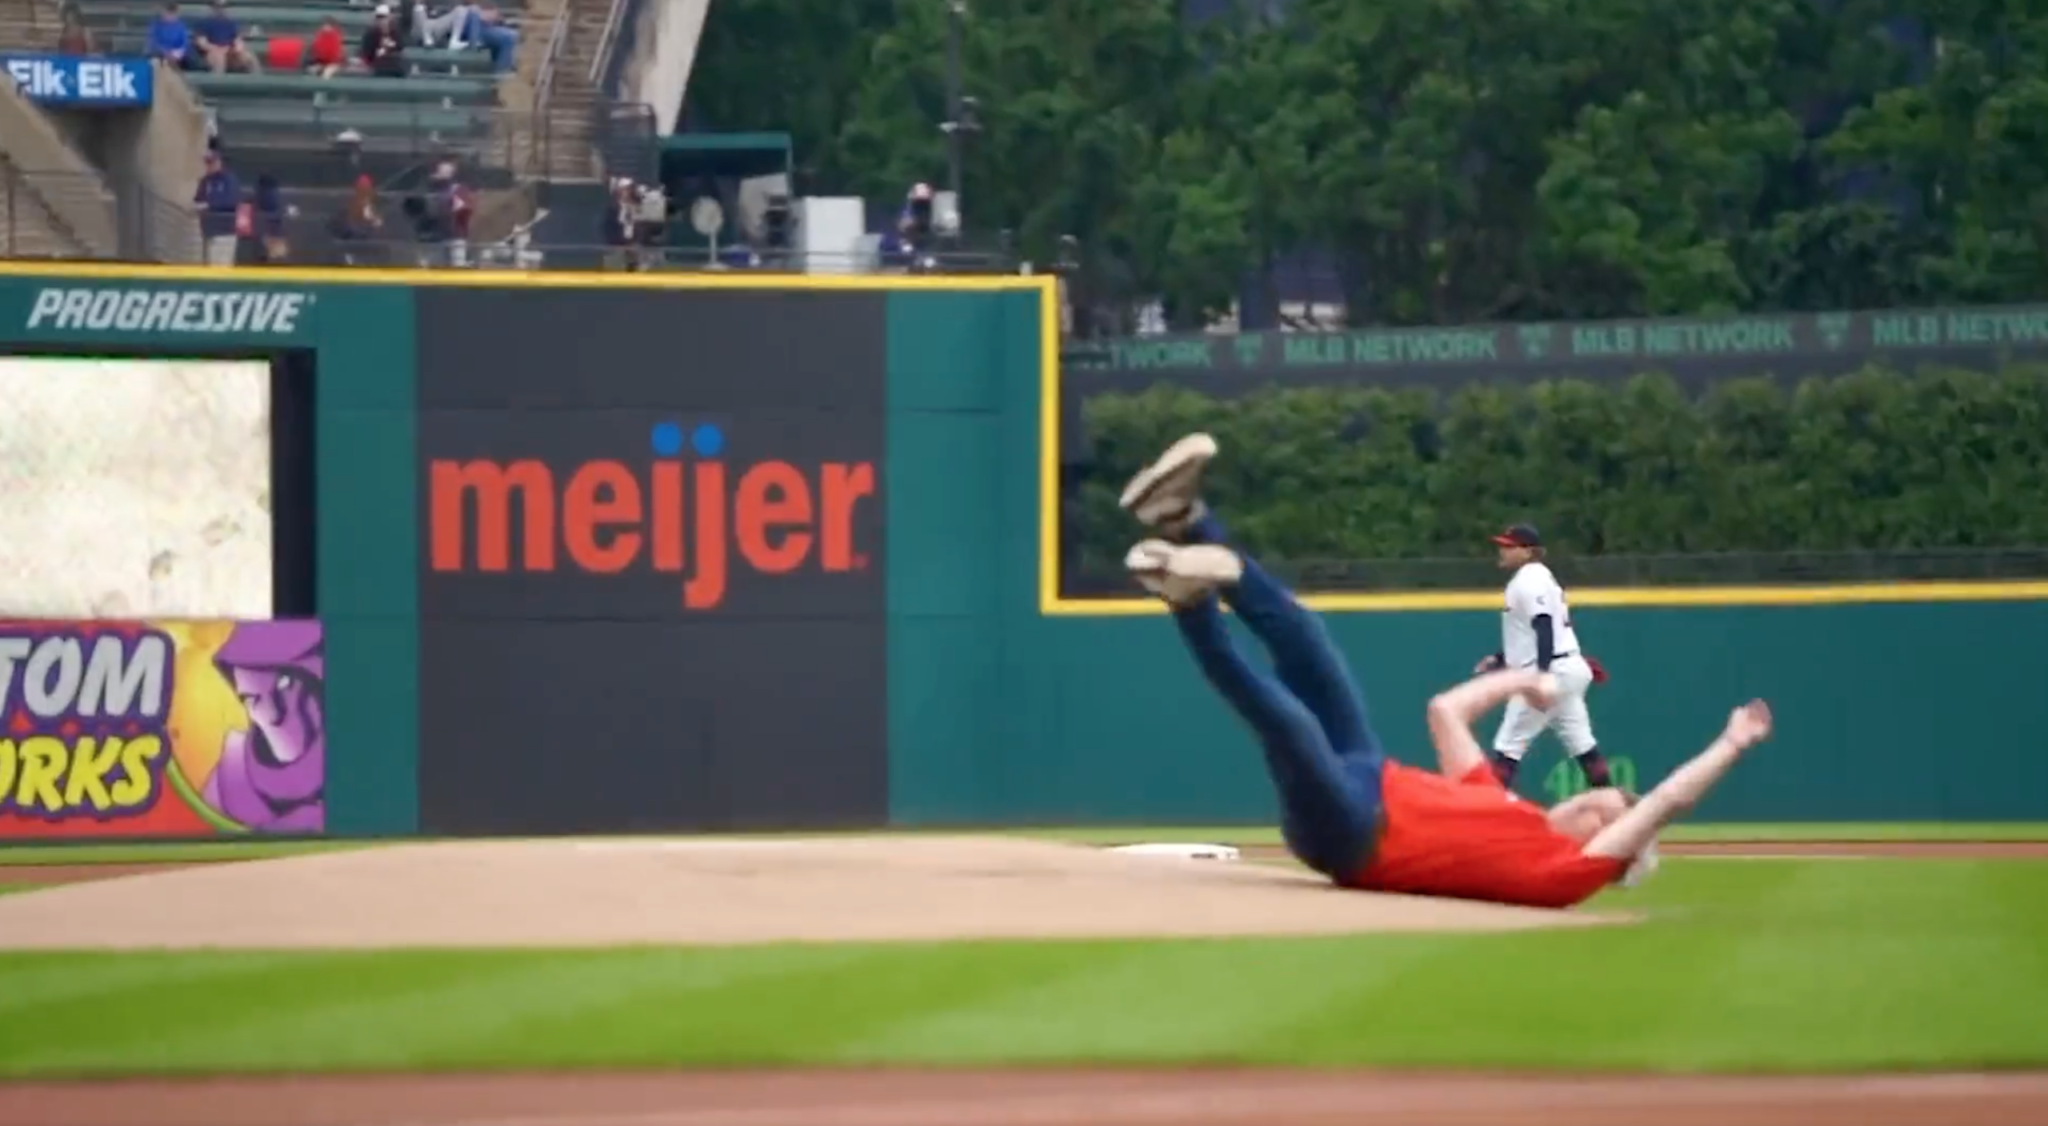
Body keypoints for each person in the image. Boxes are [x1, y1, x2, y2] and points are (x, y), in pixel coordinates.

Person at [1116, 433, 1775, 909]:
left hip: (1349, 833)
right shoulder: (1503, 804)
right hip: (1368, 771)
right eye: (1610, 801)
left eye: (1611, 812)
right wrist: (1519, 680)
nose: (1598, 802)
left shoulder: (1564, 872)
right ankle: (1186, 520)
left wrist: (1732, 744)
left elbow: (1665, 802)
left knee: (1286, 721)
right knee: (1310, 648)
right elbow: (1445, 712)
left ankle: (1191, 601)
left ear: (1612, 843)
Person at [1474, 523, 1613, 788]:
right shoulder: (1540, 577)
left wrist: (1541, 676)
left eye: (1509, 546)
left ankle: (1488, 817)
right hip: (1566, 666)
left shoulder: (1530, 579)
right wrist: (1501, 659)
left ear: (1528, 552)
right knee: (1583, 745)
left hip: (1551, 671)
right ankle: (1616, 813)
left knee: (1507, 747)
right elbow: (1532, 633)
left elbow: (1543, 624)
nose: (1502, 551)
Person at [193, 150, 241, 267]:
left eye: (212, 162)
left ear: (219, 163)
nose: (209, 165)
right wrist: (197, 206)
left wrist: (210, 205)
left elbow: (232, 201)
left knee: (221, 265)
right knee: (210, 264)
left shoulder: (228, 179)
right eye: (207, 162)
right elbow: (198, 199)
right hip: (208, 229)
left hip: (225, 230)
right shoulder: (205, 181)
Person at [194, 0, 259, 72]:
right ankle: (218, 81)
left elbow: (237, 40)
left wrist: (238, 48)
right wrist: (218, 49)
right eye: (218, 6)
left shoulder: (230, 23)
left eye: (224, 6)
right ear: (212, 7)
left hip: (229, 52)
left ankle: (258, 80)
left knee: (248, 56)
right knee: (219, 57)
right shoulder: (203, 23)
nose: (221, 9)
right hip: (212, 53)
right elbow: (202, 43)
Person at [361, 5, 406, 77]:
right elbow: (367, 54)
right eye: (379, 18)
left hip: (395, 69)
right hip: (376, 69)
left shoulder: (396, 33)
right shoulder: (370, 35)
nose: (382, 20)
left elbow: (400, 47)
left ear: (389, 18)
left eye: (384, 17)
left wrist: (389, 46)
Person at [146, 1, 192, 67]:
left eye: (172, 14)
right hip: (159, 54)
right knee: (157, 60)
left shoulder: (181, 26)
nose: (169, 16)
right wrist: (165, 52)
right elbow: (153, 42)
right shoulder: (155, 26)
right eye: (167, 13)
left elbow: (184, 42)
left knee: (185, 59)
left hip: (176, 55)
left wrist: (178, 53)